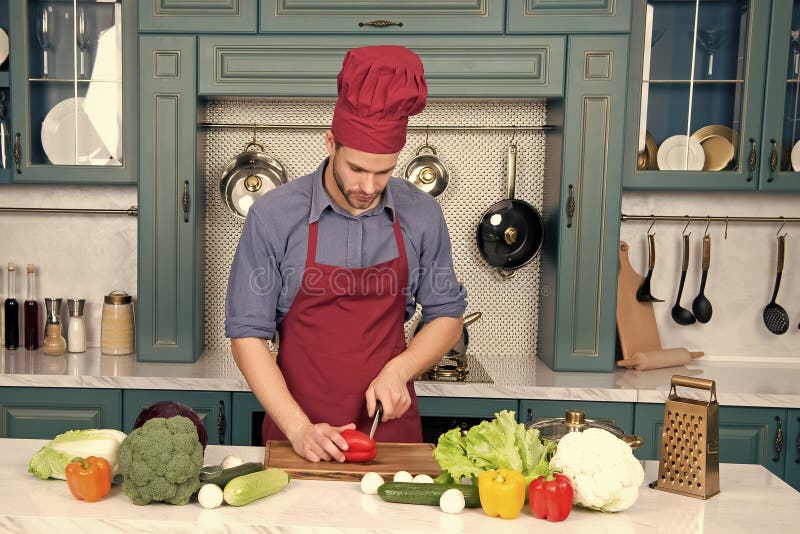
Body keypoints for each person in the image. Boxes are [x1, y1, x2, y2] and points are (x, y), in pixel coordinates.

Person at [225, 45, 467, 463]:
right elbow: (247, 336)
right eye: (357, 168)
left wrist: (399, 371)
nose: (370, 187)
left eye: (384, 171)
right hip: (299, 434)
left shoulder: (422, 213)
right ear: (330, 143)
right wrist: (299, 429)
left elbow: (447, 315)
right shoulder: (273, 216)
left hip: (390, 433)